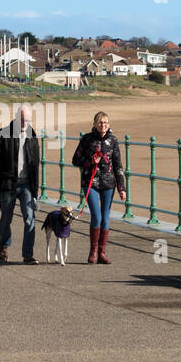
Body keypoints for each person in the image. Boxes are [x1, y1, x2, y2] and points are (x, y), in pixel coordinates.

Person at [0, 104, 40, 263]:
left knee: (30, 217)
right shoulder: (2, 135)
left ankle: (28, 255)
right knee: (6, 219)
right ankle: (4, 246)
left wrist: (35, 190)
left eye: (28, 120)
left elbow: (35, 164)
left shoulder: (32, 135)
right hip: (7, 184)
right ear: (16, 117)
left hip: (26, 185)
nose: (25, 123)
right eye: (23, 119)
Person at [71, 111, 126, 264]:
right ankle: (93, 251)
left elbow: (118, 166)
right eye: (100, 123)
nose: (103, 125)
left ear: (109, 125)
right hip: (91, 182)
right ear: (95, 124)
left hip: (109, 183)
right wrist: (90, 160)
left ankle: (102, 252)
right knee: (97, 216)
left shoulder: (113, 141)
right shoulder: (87, 139)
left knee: (106, 218)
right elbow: (75, 160)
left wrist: (122, 188)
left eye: (106, 123)